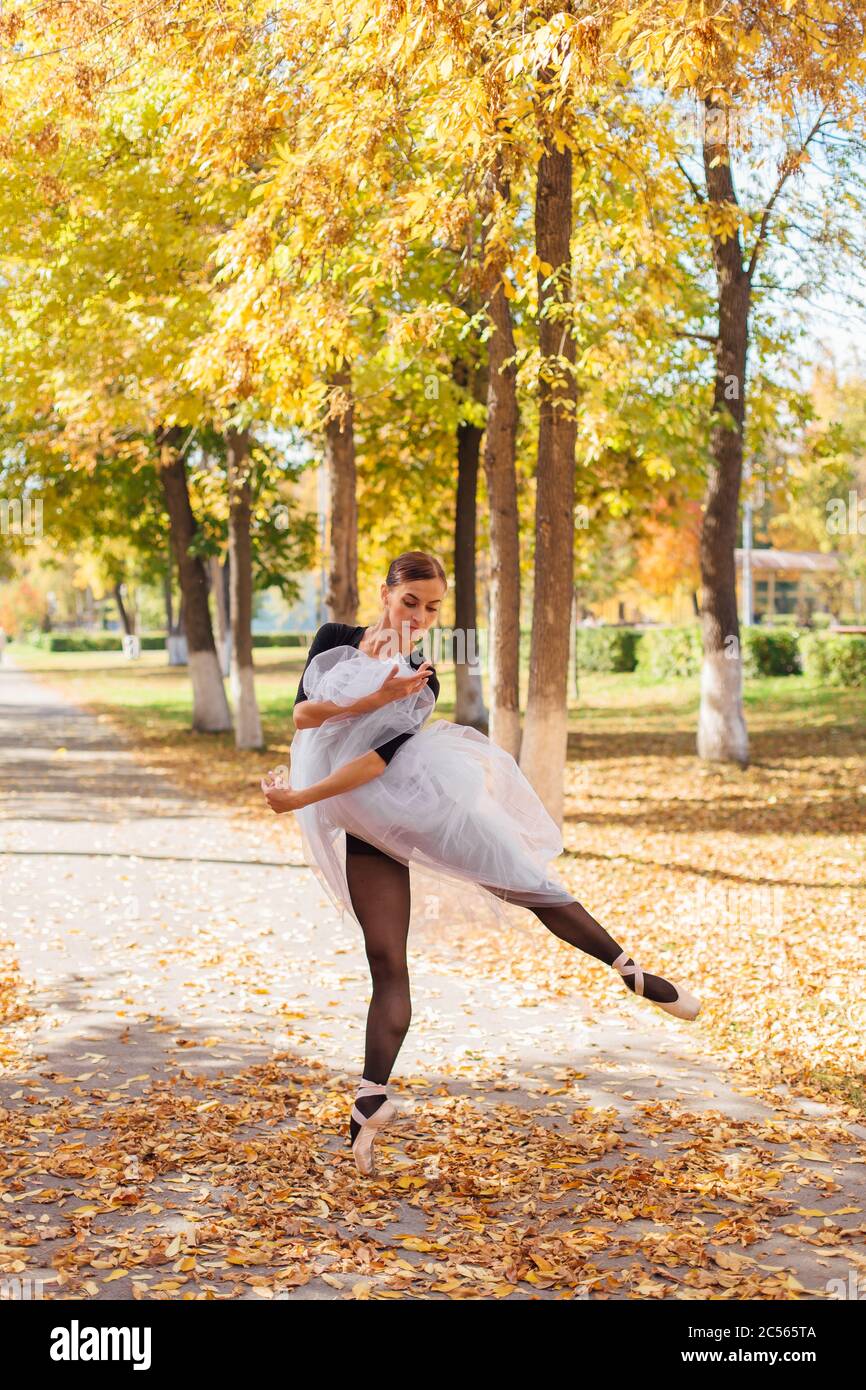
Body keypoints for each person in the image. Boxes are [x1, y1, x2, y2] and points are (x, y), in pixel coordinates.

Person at [261, 551, 700, 1177]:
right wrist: (369, 698)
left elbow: (377, 764)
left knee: (518, 878)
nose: (420, 616)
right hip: (360, 820)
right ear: (385, 593)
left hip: (418, 801)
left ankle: (628, 969)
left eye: (433, 607)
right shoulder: (335, 640)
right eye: (410, 601)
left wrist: (299, 796)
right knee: (386, 960)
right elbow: (303, 714)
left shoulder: (424, 678)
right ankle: (368, 1104)